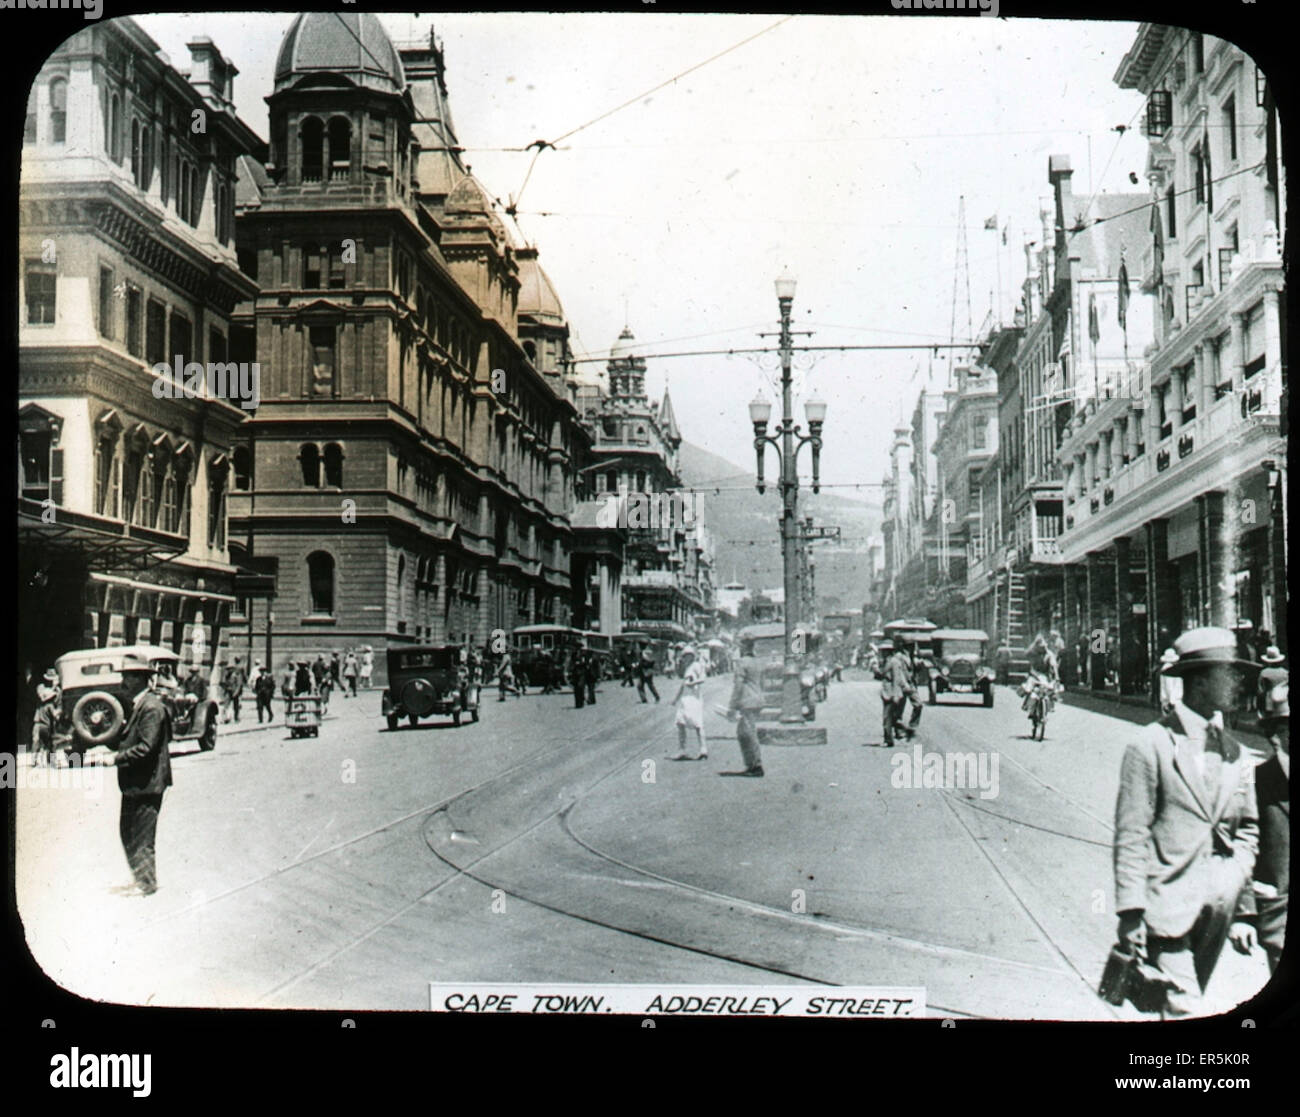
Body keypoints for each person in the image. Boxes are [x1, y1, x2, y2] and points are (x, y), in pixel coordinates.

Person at [1112, 627, 1261, 1018]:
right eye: (1230, 674)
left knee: (1178, 1007)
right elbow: (1131, 835)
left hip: (1217, 910)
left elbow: (1247, 828)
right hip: (1166, 909)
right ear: (1199, 680)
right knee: (1186, 1010)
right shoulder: (1149, 746)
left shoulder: (1237, 753)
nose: (1239, 684)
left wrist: (1239, 896)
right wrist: (1130, 912)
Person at [91, 653, 173, 897]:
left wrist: (114, 758)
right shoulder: (139, 706)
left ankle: (147, 884)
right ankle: (140, 878)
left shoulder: (151, 708)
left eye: (128, 677)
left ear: (142, 679)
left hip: (148, 783)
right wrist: (102, 737)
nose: (123, 682)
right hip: (135, 783)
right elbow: (128, 740)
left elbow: (146, 748)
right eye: (124, 676)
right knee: (127, 832)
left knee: (142, 836)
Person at [1230, 715, 1288, 974]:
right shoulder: (1257, 781)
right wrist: (1244, 915)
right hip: (1280, 918)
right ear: (1279, 734)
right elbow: (1240, 848)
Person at [721, 637, 764, 777]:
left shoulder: (742, 663)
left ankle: (755, 766)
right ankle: (751, 764)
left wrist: (732, 706)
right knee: (744, 733)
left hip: (747, 702)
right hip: (756, 700)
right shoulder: (757, 662)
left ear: (745, 647)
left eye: (741, 646)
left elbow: (738, 687)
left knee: (748, 734)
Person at [669, 648, 707, 761]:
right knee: (680, 723)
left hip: (694, 698)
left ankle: (703, 749)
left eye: (688, 655)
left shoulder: (696, 665)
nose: (686, 658)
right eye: (685, 656)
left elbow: (703, 678)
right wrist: (675, 699)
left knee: (697, 724)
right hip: (685, 698)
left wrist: (693, 683)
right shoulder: (687, 668)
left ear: (692, 656)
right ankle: (682, 750)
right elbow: (683, 685)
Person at [878, 640, 918, 748]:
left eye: (884, 651)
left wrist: (896, 694)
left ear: (888, 651)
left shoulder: (894, 662)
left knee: (888, 717)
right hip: (887, 692)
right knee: (890, 717)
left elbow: (897, 678)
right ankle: (892, 737)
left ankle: (889, 739)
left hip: (891, 693)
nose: (882, 653)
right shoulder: (888, 661)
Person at [32, 668, 61, 767]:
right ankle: (46, 761)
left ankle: (42, 761)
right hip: (43, 722)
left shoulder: (57, 690)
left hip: (42, 722)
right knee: (43, 743)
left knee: (42, 743)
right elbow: (43, 696)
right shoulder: (41, 687)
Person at [221, 656, 247, 724]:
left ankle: (236, 718)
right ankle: (226, 718)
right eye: (228, 669)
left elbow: (239, 684)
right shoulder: (226, 676)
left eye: (230, 669)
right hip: (228, 692)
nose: (229, 670)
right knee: (226, 705)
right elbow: (223, 683)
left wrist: (236, 693)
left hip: (235, 692)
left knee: (236, 706)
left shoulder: (237, 675)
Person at [1155, 648, 1182, 713]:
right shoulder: (1168, 668)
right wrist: (1171, 701)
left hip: (1170, 699)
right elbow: (1169, 686)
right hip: (1171, 701)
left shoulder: (1167, 667)